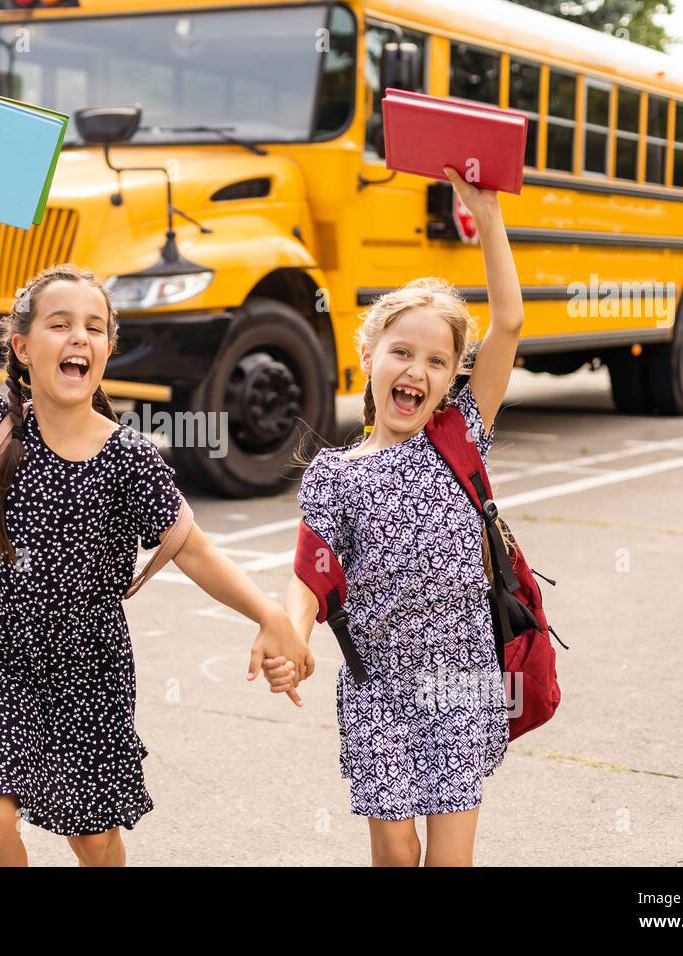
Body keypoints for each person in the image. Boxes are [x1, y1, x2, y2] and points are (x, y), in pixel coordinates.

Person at [0, 180, 313, 867]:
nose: (78, 335)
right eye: (58, 323)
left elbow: (193, 550)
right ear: (21, 347)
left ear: (107, 349)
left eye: (95, 326)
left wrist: (268, 614)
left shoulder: (130, 458)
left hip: (90, 669)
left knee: (93, 837)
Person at [266, 167, 523, 866]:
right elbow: (310, 573)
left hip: (460, 677)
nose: (417, 370)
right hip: (376, 681)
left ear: (450, 379)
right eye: (402, 352)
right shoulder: (335, 472)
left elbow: (509, 323)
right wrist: (291, 635)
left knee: (446, 860)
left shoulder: (462, 434)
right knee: (393, 849)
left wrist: (486, 217)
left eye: (437, 360)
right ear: (368, 357)